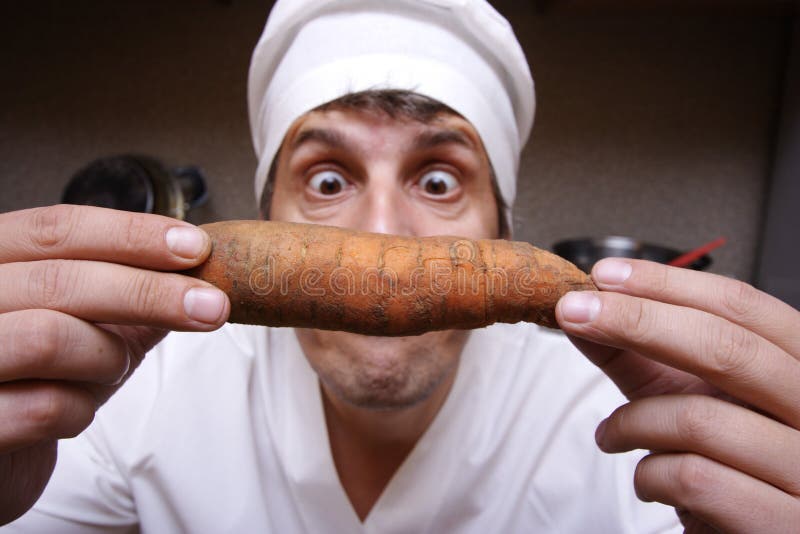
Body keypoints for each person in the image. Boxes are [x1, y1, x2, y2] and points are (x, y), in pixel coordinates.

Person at [1, 0, 799, 532]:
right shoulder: (129, 391)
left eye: (440, 179)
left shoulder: (641, 429)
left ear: (503, 225)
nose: (384, 235)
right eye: (326, 179)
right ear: (266, 209)